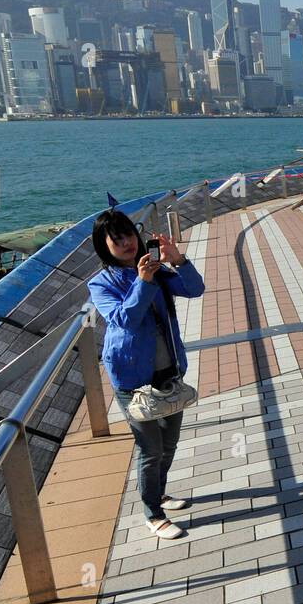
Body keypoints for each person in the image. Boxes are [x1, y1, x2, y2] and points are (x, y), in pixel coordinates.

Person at [87, 208, 205, 538]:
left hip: (168, 370)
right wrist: (142, 281)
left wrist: (178, 260)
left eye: (128, 234)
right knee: (150, 449)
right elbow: (124, 319)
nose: (125, 242)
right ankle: (152, 513)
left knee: (169, 443)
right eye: (116, 238)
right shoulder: (101, 283)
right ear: (104, 245)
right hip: (131, 378)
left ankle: (160, 493)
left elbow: (195, 289)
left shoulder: (155, 268)